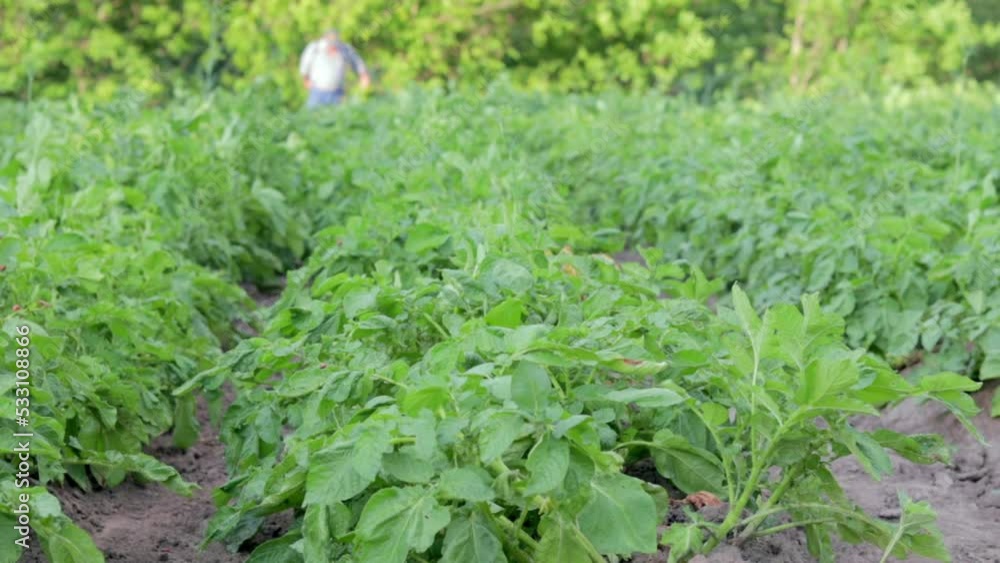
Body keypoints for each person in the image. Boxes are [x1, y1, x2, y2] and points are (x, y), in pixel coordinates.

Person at [299, 29, 371, 108]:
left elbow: (358, 64)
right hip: (317, 92)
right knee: (312, 117)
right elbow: (304, 67)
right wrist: (306, 80)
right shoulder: (315, 48)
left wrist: (364, 76)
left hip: (338, 93)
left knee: (338, 117)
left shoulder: (344, 49)